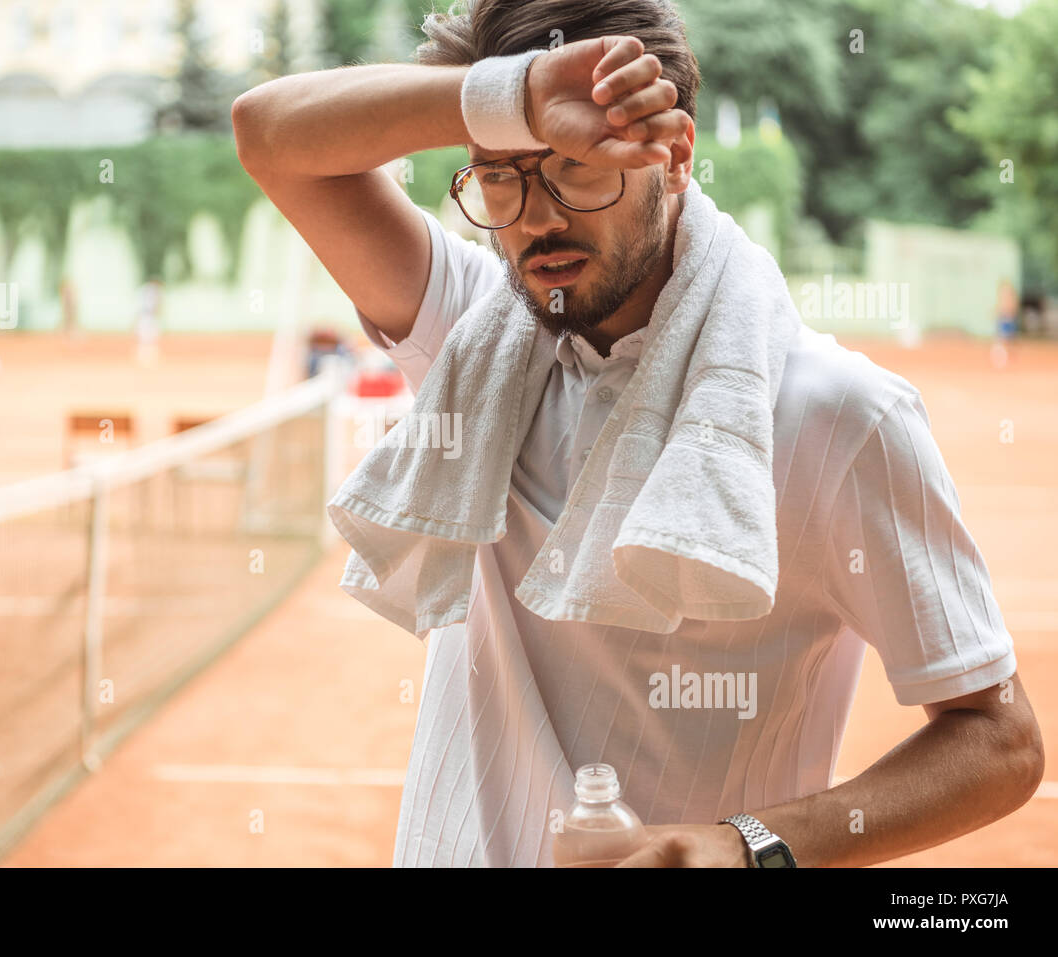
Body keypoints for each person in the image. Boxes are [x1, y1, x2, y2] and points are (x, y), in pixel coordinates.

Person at [232, 0, 1043, 868]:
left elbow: (998, 740)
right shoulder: (471, 331)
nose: (536, 218)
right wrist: (520, 94)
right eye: (499, 175)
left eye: (578, 167)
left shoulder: (840, 414)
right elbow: (266, 134)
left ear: (677, 157)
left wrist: (748, 847)